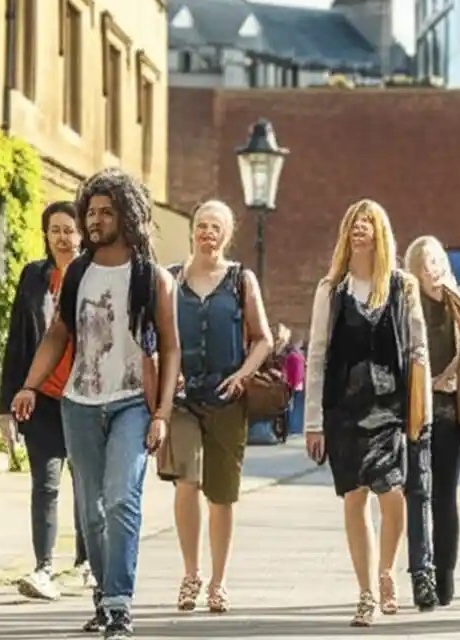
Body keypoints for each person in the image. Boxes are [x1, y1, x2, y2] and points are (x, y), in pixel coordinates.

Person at [9, 168, 180, 640]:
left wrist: (162, 412)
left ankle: (120, 605)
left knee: (123, 498)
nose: (96, 219)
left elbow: (169, 347)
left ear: (128, 215)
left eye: (107, 211)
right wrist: (28, 386)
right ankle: (104, 598)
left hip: (131, 403)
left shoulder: (153, 277)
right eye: (91, 211)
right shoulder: (78, 273)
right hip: (79, 403)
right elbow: (58, 334)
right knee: (91, 510)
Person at [304, 199, 431, 627]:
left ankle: (386, 571)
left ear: (381, 233)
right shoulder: (331, 290)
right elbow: (317, 355)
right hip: (343, 409)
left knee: (393, 496)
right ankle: (366, 593)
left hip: (389, 407)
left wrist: (422, 410)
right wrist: (313, 423)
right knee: (355, 498)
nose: (360, 229)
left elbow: (418, 351)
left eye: (368, 223)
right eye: (353, 223)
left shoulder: (403, 287)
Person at [159, 200, 273, 614]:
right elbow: (154, 336)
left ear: (227, 235)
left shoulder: (242, 279)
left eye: (216, 227)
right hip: (184, 401)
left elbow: (263, 339)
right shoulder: (170, 280)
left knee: (221, 493)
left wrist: (242, 374)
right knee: (186, 480)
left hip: (228, 399)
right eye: (202, 225)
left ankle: (219, 582)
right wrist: (168, 375)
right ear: (192, 230)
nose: (208, 233)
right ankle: (191, 574)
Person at [0, 200, 93, 601]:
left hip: (86, 396)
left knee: (86, 485)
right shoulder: (34, 277)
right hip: (42, 398)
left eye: (69, 229)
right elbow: (18, 340)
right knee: (45, 485)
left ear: (81, 234)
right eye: (55, 229)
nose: (63, 236)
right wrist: (6, 406)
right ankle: (43, 568)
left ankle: (87, 561)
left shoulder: (93, 274)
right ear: (46, 234)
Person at [404, 235, 460, 608]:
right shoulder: (408, 304)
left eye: (436, 261)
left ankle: (446, 574)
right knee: (416, 493)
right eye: (424, 263)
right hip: (415, 411)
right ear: (414, 269)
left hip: (451, 412)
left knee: (444, 494)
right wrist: (425, 382)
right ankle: (420, 574)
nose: (431, 269)